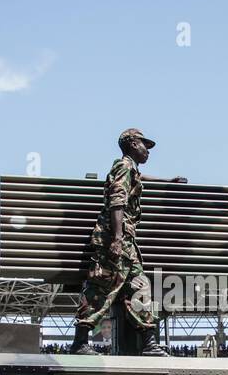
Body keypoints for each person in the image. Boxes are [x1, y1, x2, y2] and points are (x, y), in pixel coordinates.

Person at [71, 128, 185, 357]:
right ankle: (80, 342)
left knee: (140, 289)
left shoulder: (130, 169)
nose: (148, 151)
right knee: (101, 288)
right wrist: (116, 238)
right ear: (133, 143)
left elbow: (140, 179)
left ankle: (149, 343)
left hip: (127, 244)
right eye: (145, 145)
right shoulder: (123, 167)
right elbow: (117, 202)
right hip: (115, 240)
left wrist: (167, 180)